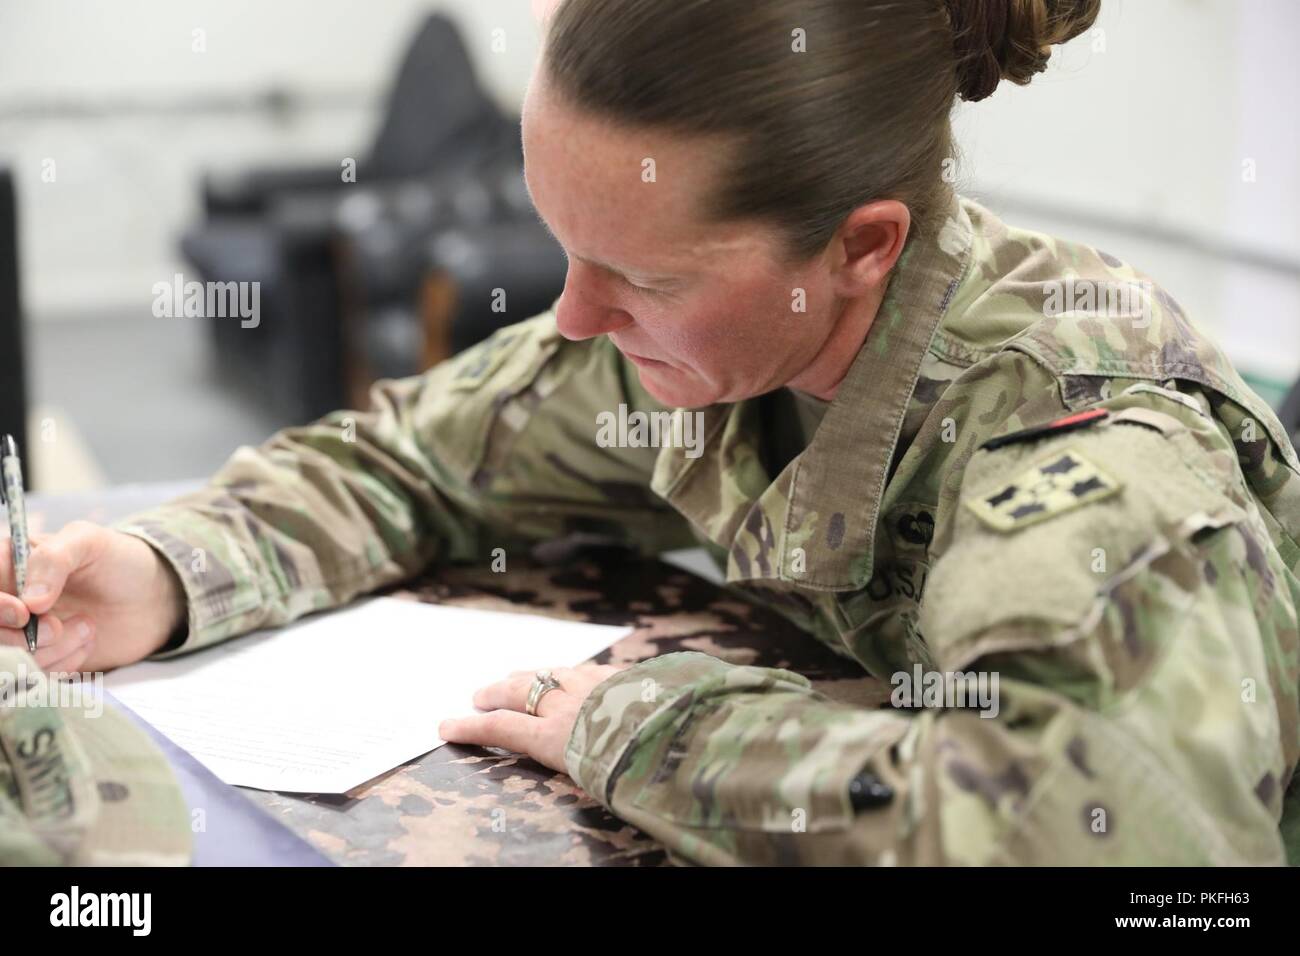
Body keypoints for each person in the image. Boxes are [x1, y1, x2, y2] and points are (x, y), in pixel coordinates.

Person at [3, 0, 1298, 865]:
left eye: (643, 276)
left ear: (859, 252)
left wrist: (648, 730)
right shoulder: (709, 337)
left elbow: (1111, 832)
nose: (572, 312)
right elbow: (415, 459)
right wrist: (171, 569)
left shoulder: (1082, 443)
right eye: (564, 248)